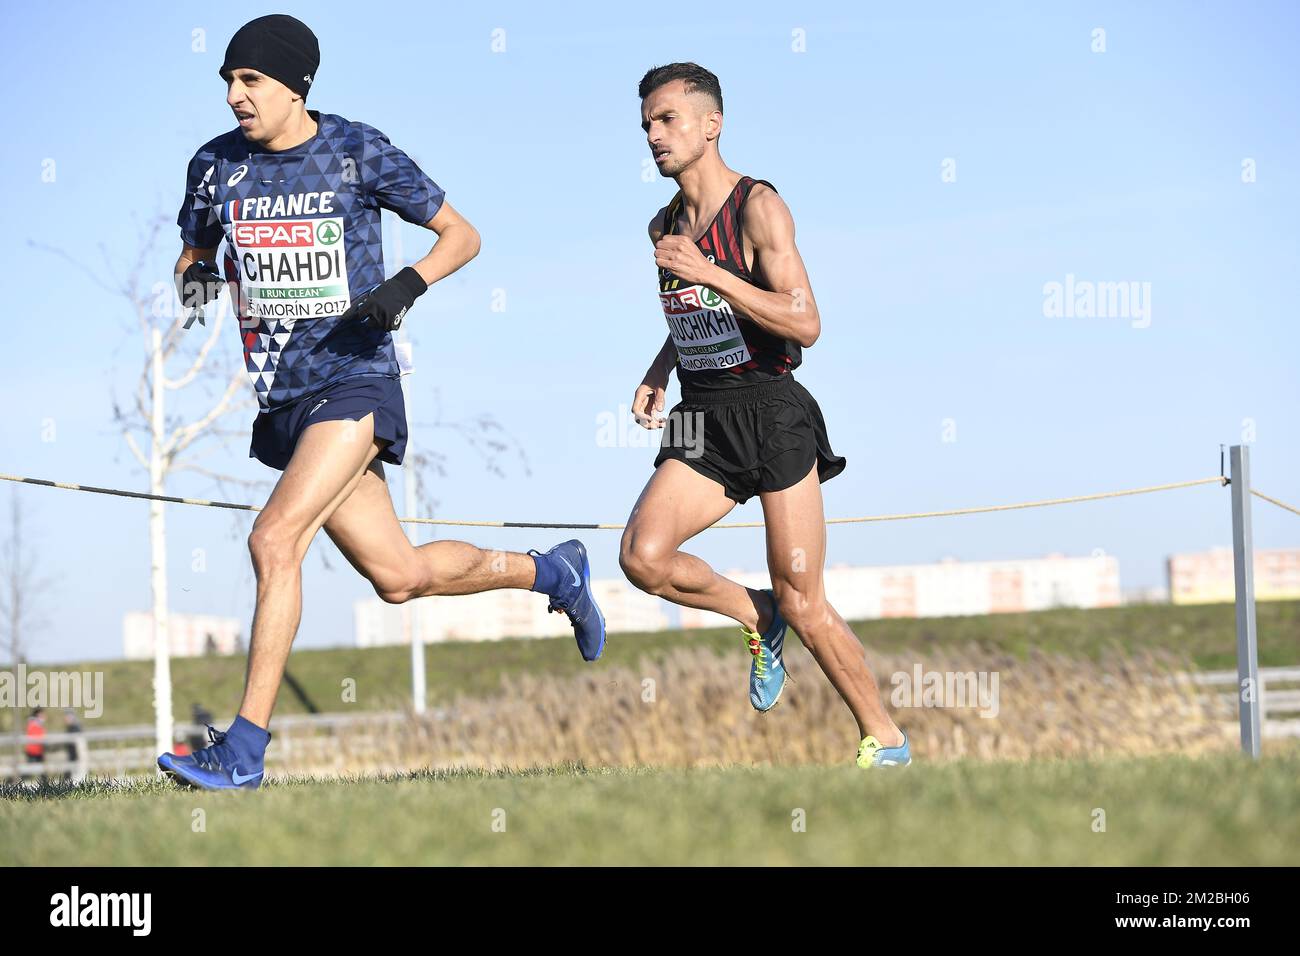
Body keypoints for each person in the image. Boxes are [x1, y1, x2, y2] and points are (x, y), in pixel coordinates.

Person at [159, 15, 605, 791]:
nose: (234, 96)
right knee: (398, 577)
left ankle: (244, 751)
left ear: (296, 84)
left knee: (273, 542)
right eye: (228, 81)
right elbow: (195, 249)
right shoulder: (213, 166)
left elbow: (462, 236)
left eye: (250, 81)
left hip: (357, 382)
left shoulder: (354, 150)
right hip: (284, 399)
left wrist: (405, 287)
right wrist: (194, 277)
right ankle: (552, 572)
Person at [620, 63, 910, 768]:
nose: (655, 136)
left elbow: (805, 322)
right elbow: (695, 307)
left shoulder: (759, 207)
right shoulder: (662, 226)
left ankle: (888, 740)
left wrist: (712, 272)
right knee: (642, 558)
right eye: (647, 126)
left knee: (804, 594)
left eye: (668, 120)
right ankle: (756, 613)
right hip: (701, 415)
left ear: (711, 124)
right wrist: (661, 368)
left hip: (772, 409)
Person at [24, 708, 46, 785]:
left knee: (41, 771)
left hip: (38, 751)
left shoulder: (36, 724)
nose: (43, 716)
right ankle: (14, 783)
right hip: (33, 751)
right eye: (41, 714)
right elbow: (36, 738)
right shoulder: (34, 724)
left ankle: (45, 785)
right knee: (27, 772)